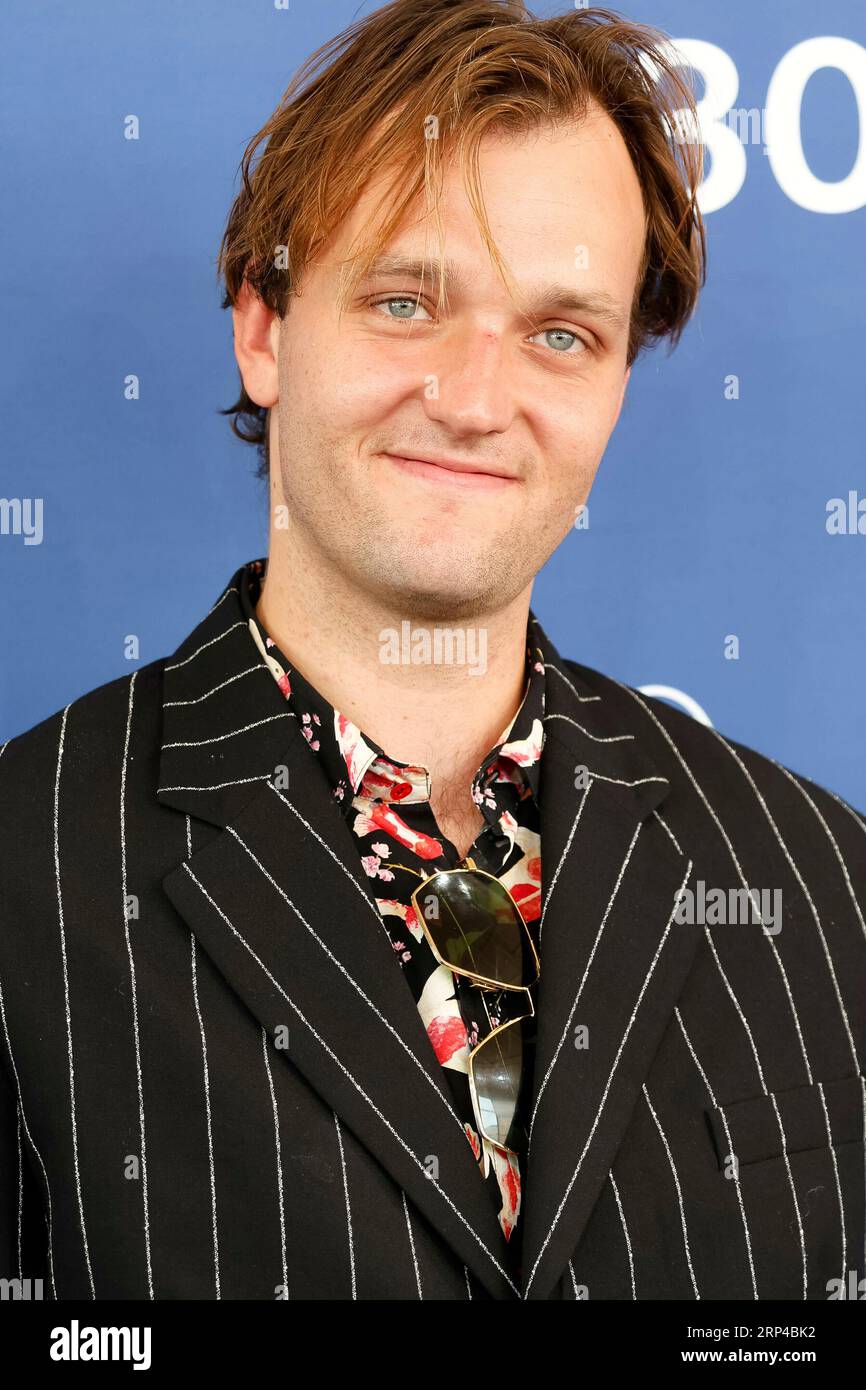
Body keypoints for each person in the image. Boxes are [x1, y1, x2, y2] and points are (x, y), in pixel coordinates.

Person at [1, 0, 863, 1302]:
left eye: (559, 333)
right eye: (407, 300)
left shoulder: (819, 876)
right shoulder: (23, 872)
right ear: (263, 326)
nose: (471, 397)